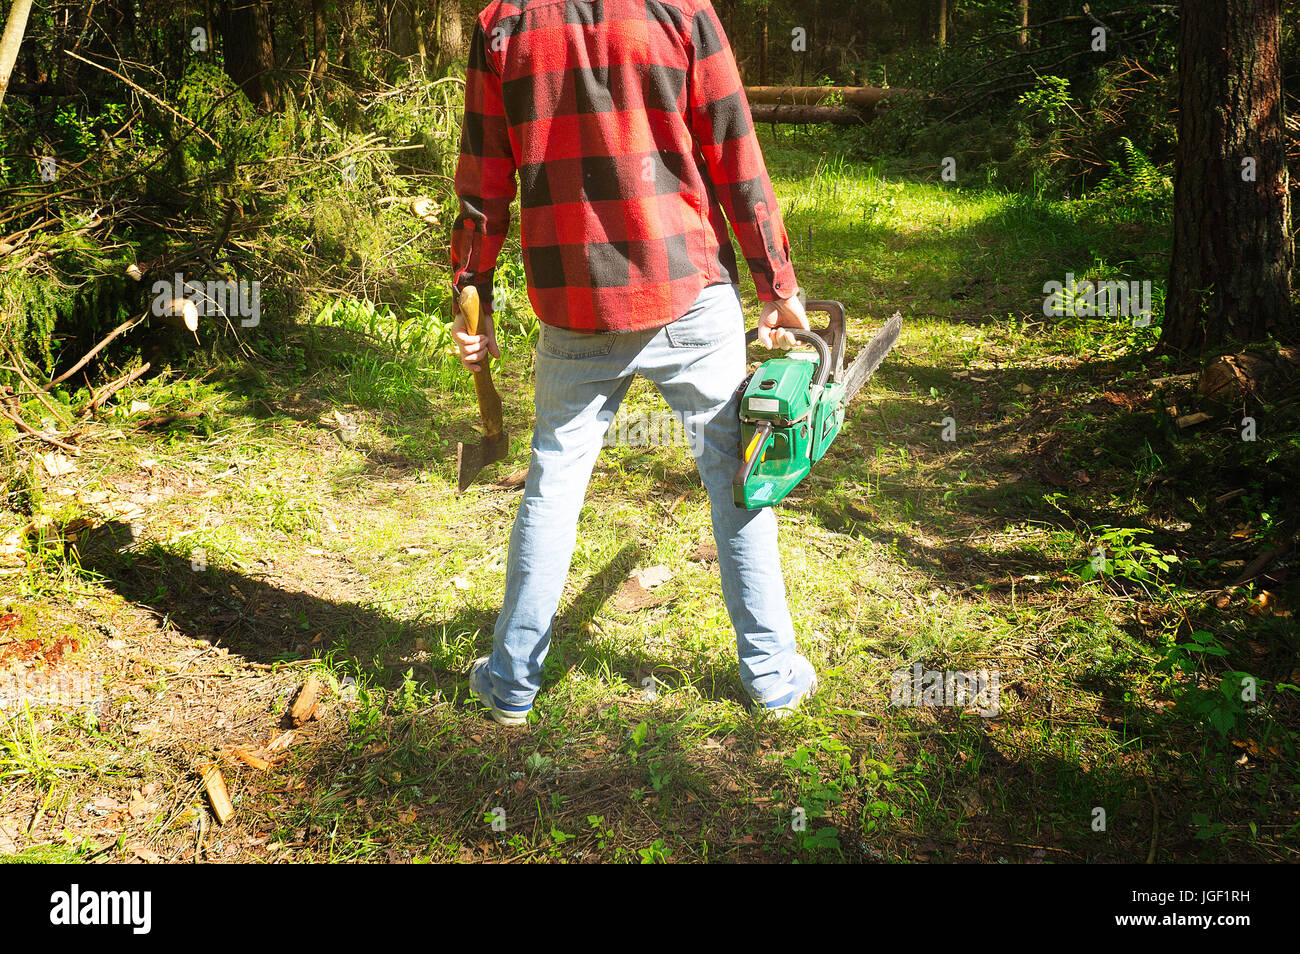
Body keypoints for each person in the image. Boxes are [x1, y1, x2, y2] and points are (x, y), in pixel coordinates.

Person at [449, 0, 815, 726]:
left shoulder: (503, 21)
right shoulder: (679, 8)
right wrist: (777, 284)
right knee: (737, 477)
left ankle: (511, 685)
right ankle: (772, 676)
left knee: (553, 484)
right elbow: (734, 146)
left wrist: (472, 284)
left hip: (572, 302)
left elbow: (483, 178)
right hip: (687, 286)